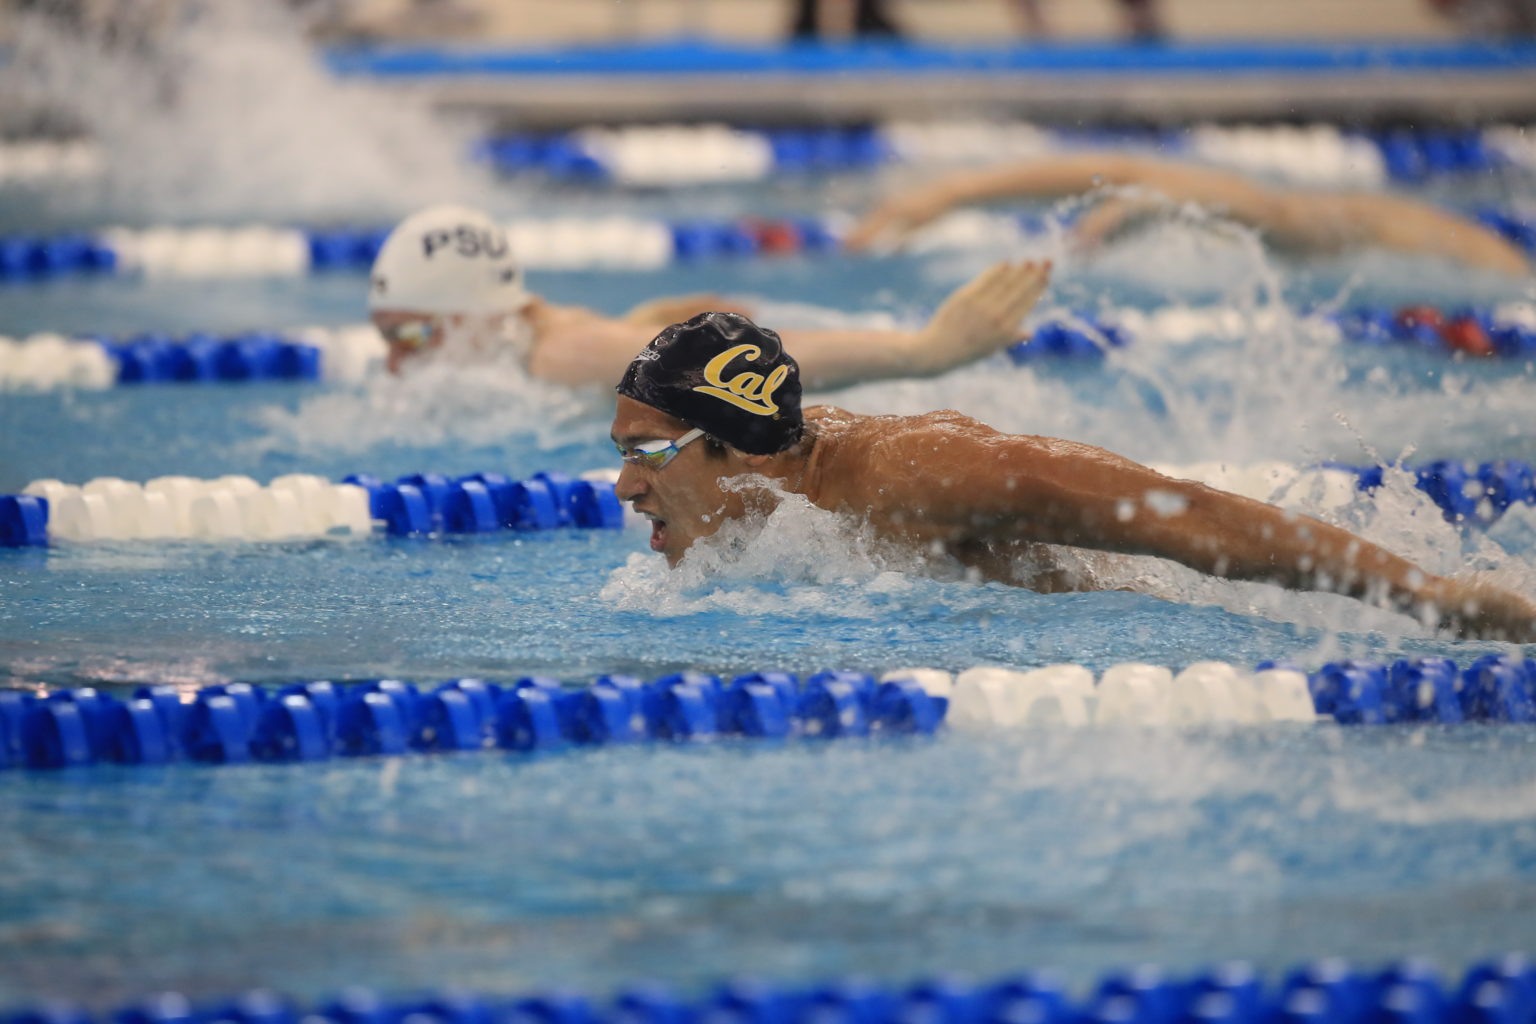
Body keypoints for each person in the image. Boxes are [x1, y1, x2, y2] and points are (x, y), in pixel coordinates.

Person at [610, 311, 1536, 642]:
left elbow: (1185, 517)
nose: (625, 489)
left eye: (645, 454)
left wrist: (1430, 597)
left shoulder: (910, 471)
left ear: (738, 444)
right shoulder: (769, 510)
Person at [368, 203, 1052, 387]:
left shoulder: (561, 355)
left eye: (412, 337)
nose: (395, 363)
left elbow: (750, 368)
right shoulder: (551, 331)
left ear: (473, 315)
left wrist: (922, 353)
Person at [842, 151, 1532, 276]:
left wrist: (1146, 201)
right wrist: (955, 190)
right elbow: (1133, 168)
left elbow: (1265, 209)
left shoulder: (1367, 230)